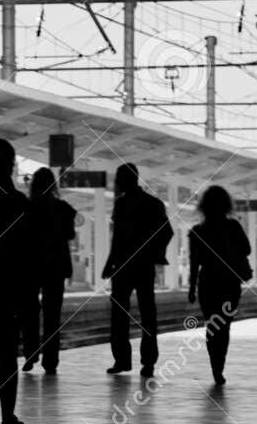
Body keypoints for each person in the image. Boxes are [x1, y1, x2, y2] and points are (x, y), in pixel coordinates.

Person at [104, 162, 174, 376]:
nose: (117, 183)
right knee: (147, 314)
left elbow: (117, 238)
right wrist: (155, 254)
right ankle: (148, 362)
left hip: (123, 266)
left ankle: (122, 360)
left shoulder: (122, 204)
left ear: (127, 179)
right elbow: (167, 232)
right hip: (144, 266)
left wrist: (110, 263)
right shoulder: (154, 203)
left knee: (119, 314)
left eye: (119, 179)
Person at [188, 185, 252, 384]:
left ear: (204, 205)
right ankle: (219, 366)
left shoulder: (197, 231)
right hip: (230, 283)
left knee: (212, 325)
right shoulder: (233, 226)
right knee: (224, 326)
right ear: (226, 204)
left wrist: (191, 288)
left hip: (207, 283)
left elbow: (194, 262)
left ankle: (215, 365)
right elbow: (247, 250)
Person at [0, 139, 30, 424]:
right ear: (11, 165)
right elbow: (29, 252)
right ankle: (7, 418)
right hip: (8, 287)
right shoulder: (18, 203)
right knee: (6, 354)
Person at [22, 166, 76, 377]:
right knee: (52, 315)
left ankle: (30, 354)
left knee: (29, 312)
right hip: (56, 267)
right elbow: (70, 234)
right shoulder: (63, 208)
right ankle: (50, 361)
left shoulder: (27, 208)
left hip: (31, 266)